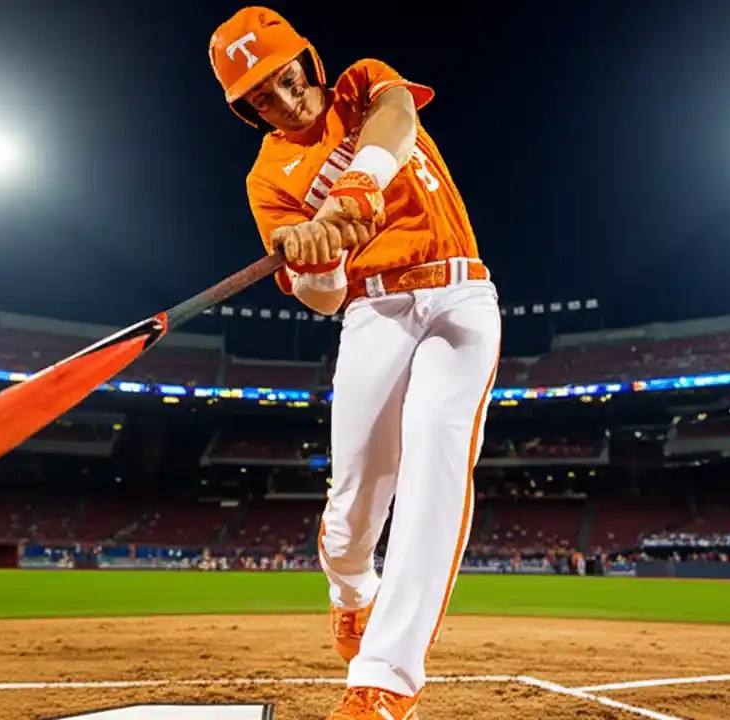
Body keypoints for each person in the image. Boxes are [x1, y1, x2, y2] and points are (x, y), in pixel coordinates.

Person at [209, 8, 502, 719]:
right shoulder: (267, 180)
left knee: (435, 464)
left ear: (306, 61)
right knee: (354, 506)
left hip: (460, 293)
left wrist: (355, 188)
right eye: (260, 98)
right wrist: (317, 260)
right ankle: (352, 596)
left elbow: (398, 117)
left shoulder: (362, 86)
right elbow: (322, 296)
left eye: (284, 78)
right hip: (374, 310)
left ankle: (383, 679)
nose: (282, 100)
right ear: (248, 110)